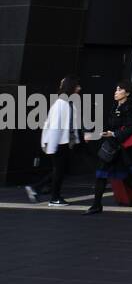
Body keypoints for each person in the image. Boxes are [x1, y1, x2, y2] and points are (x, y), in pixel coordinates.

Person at [84, 81, 132, 214]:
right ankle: (97, 205)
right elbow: (113, 125)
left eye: (119, 90)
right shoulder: (116, 106)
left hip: (119, 148)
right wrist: (104, 133)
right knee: (109, 175)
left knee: (120, 176)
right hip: (112, 145)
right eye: (116, 89)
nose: (116, 91)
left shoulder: (128, 108)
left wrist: (114, 133)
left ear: (127, 93)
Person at [27, 76, 82, 206]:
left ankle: (37, 189)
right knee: (59, 170)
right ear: (72, 87)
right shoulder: (61, 104)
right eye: (77, 86)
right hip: (59, 142)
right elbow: (55, 126)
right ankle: (54, 197)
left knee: (59, 170)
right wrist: (52, 146)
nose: (79, 88)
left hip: (63, 142)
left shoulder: (67, 103)